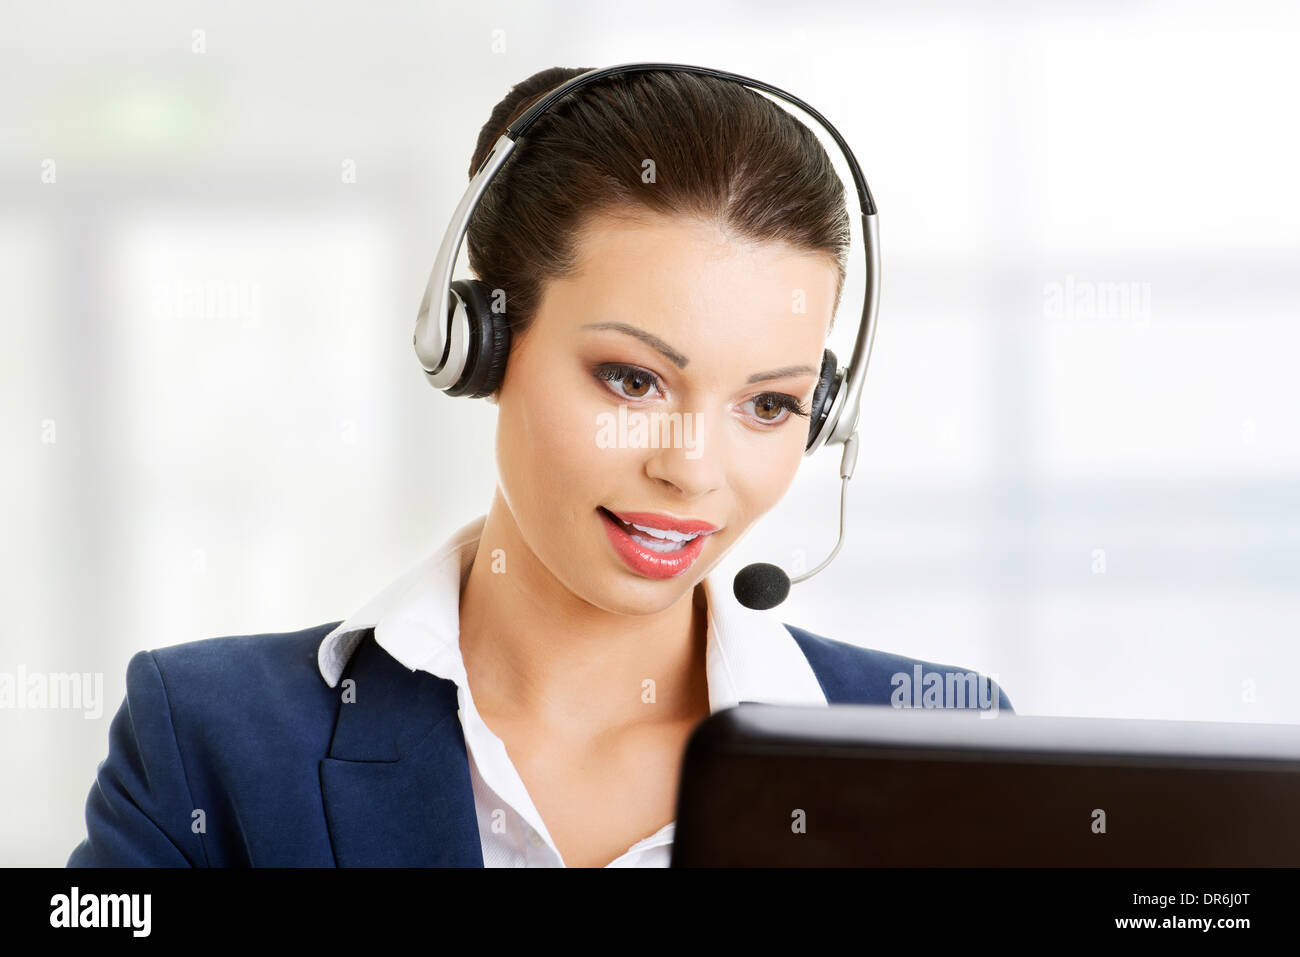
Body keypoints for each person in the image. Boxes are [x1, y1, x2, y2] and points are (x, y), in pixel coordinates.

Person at [67, 65, 1012, 869]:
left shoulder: (945, 745)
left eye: (769, 405)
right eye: (632, 379)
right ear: (478, 346)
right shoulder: (209, 740)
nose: (692, 470)